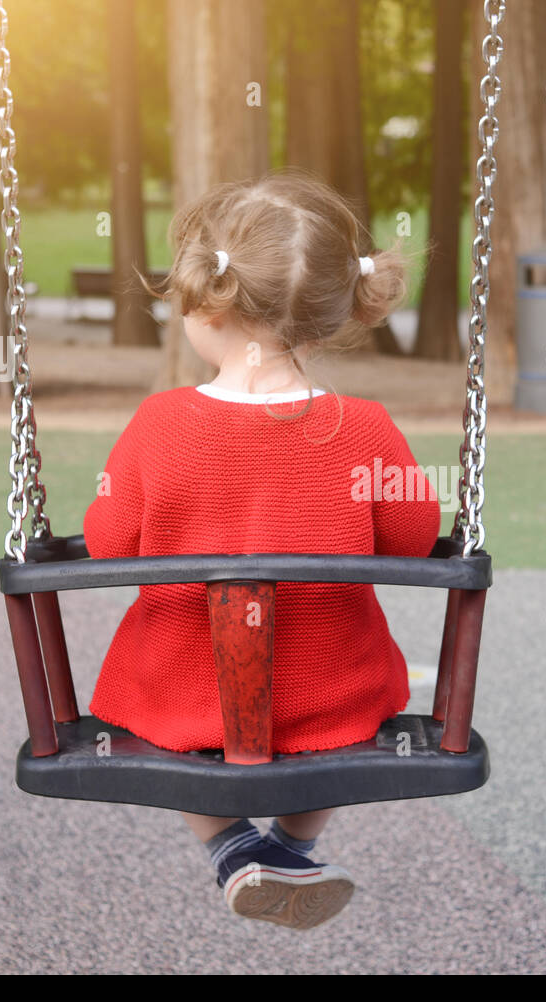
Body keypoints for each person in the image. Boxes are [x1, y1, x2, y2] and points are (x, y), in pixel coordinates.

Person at [83, 170, 441, 930]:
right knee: (343, 728)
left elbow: (107, 542)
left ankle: (230, 848)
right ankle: (290, 849)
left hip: (181, 693)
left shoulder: (159, 423)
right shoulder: (364, 426)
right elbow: (413, 538)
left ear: (206, 305)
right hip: (332, 693)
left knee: (162, 715)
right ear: (326, 315)